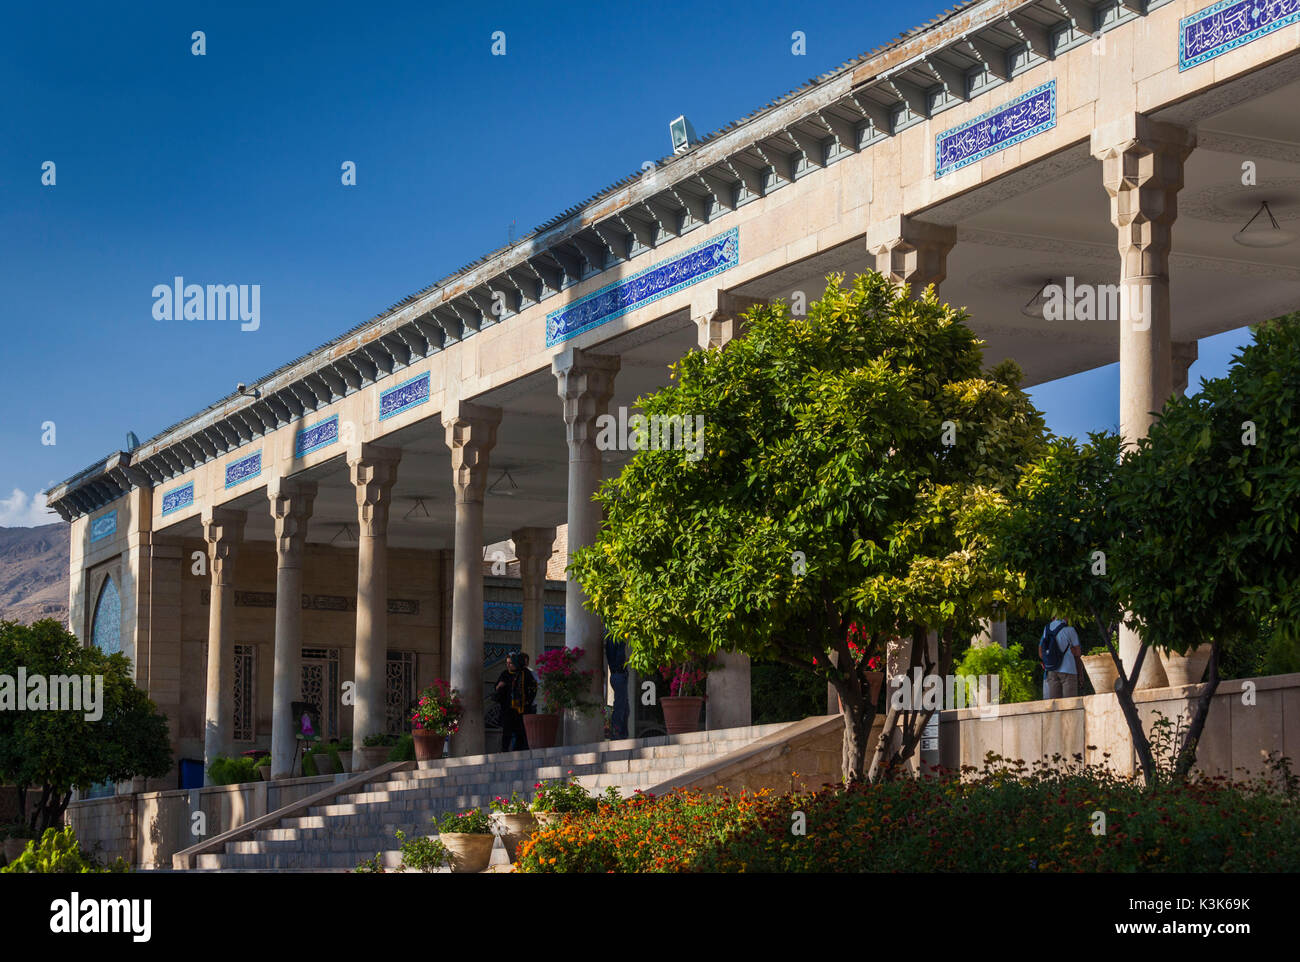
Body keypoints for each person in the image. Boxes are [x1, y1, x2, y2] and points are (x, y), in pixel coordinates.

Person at [494, 651, 537, 752]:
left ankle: (518, 752)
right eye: (507, 663)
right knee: (507, 732)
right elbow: (497, 688)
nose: (508, 665)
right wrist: (499, 687)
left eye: (511, 663)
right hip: (508, 709)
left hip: (522, 710)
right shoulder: (505, 674)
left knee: (521, 733)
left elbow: (533, 688)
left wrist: (527, 702)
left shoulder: (525, 673)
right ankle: (504, 751)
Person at [1039, 617, 1083, 699]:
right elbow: (1078, 653)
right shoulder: (1069, 629)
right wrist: (1080, 674)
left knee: (1055, 704)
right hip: (1068, 670)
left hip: (1051, 671)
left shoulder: (1047, 628)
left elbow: (1041, 653)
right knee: (1070, 703)